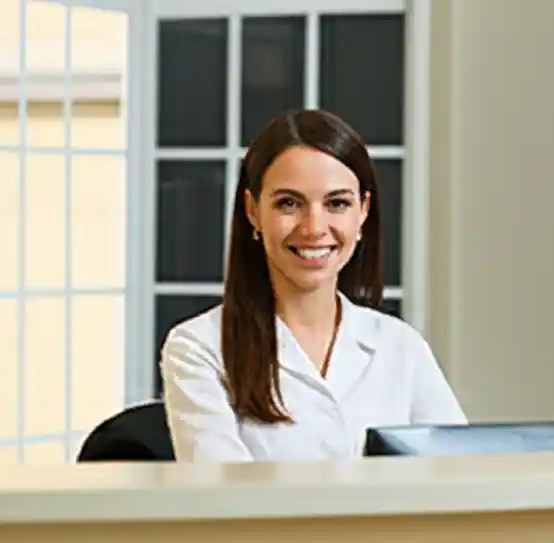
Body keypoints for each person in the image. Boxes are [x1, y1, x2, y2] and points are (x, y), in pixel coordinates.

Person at [160, 110, 465, 462]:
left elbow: (457, 475)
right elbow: (227, 504)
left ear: (363, 212)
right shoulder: (198, 349)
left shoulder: (401, 347)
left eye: (337, 203)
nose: (313, 227)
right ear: (252, 210)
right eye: (289, 203)